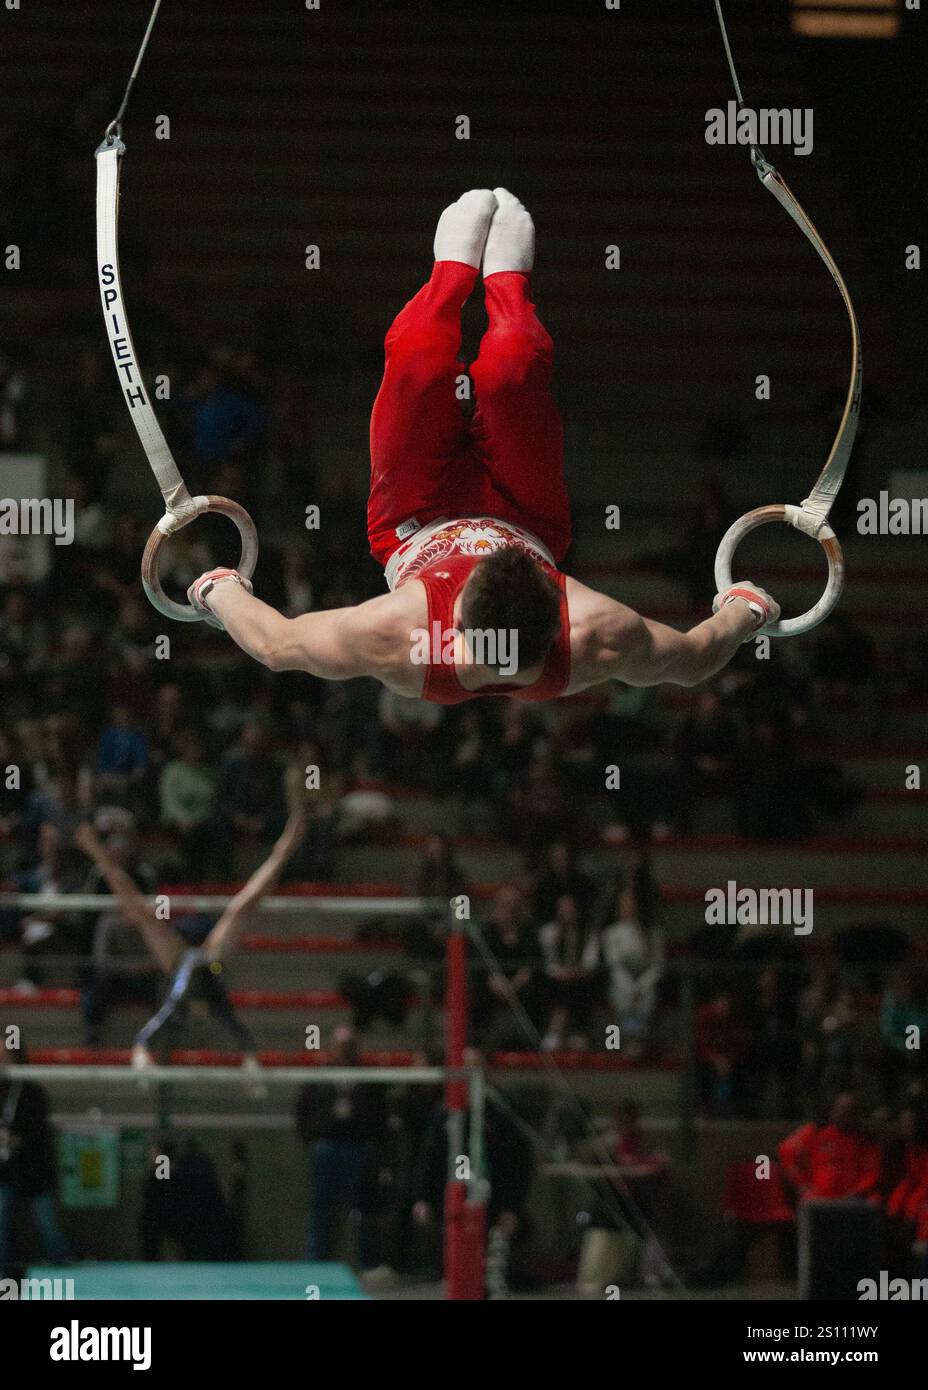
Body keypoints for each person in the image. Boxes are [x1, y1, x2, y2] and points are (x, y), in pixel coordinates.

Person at [185, 189, 780, 703]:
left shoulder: (403, 635)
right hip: (525, 513)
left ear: (456, 615)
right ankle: (506, 283)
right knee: (512, 367)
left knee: (418, 360)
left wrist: (218, 588)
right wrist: (745, 609)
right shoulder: (595, 632)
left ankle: (451, 275)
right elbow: (696, 657)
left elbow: (276, 644)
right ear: (557, 600)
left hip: (414, 518)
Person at [72, 793, 309, 1076]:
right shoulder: (217, 1003)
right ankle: (288, 843)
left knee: (141, 910)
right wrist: (251, 1059)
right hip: (212, 961)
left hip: (178, 961)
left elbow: (147, 1034)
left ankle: (97, 853)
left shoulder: (179, 1002)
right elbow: (241, 1034)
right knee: (243, 906)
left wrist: (140, 1053)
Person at [294, 1025, 390, 1269]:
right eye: (340, 1046)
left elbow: (381, 1113)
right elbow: (302, 1110)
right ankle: (315, 1263)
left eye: (349, 1046)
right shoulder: (319, 1077)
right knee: (320, 1208)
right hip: (325, 1149)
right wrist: (310, 1140)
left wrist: (374, 1145)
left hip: (358, 1149)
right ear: (332, 1048)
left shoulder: (369, 1079)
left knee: (364, 1210)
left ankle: (367, 1264)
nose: (345, 1051)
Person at [0, 1040, 72, 1275]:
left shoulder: (32, 1090)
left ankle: (63, 1269)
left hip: (35, 1167)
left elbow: (38, 1130)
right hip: (6, 1169)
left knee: (47, 1223)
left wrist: (16, 1138)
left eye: (4, 1054)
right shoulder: (2, 1088)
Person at [778, 1093, 880, 1204]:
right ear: (832, 1112)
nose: (846, 1117)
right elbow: (786, 1151)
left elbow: (872, 1172)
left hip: (853, 1199)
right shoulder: (814, 1132)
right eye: (842, 1112)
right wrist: (802, 1186)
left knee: (874, 1201)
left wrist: (857, 1192)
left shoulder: (866, 1141)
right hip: (819, 1198)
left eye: (851, 1113)